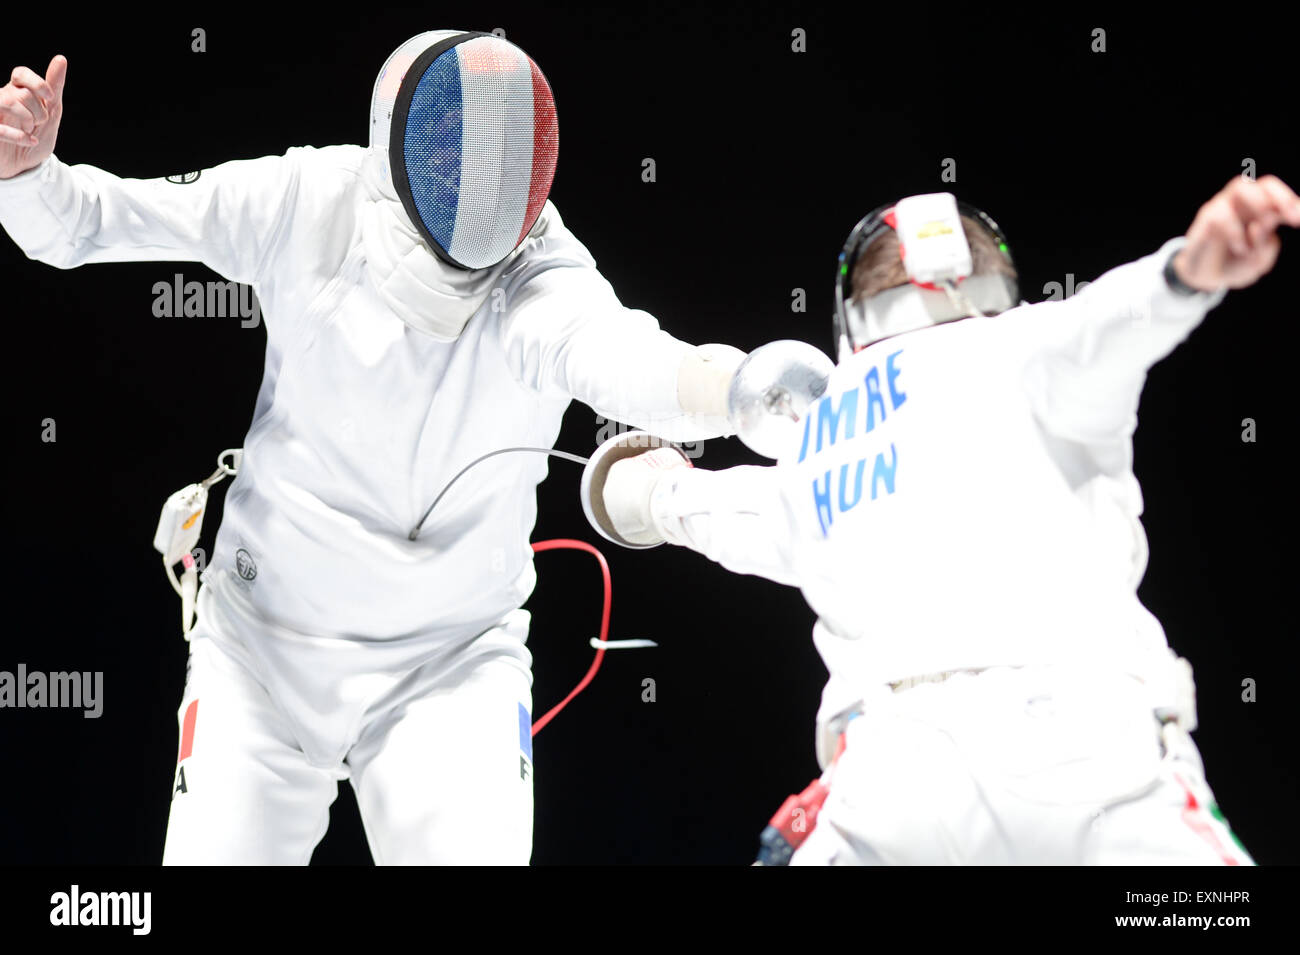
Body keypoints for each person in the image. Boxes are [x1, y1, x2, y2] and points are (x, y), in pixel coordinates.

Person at [0, 31, 745, 864]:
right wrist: (27, 173)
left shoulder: (544, 278)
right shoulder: (309, 198)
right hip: (264, 651)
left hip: (451, 663)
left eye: (508, 159)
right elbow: (85, 224)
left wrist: (743, 389)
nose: (484, 183)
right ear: (397, 143)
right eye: (452, 150)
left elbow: (634, 359)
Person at [591, 182, 1300, 864]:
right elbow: (1108, 320)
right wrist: (1188, 270)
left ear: (856, 309)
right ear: (987, 281)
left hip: (892, 788)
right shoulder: (1028, 346)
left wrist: (650, 493)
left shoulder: (820, 430)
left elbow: (730, 512)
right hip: (1089, 758)